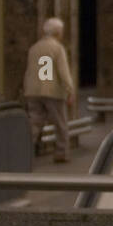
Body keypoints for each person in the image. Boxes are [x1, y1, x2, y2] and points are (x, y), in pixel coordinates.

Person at [23, 17, 75, 163]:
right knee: (60, 123)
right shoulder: (57, 48)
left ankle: (24, 151)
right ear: (58, 32)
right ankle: (61, 153)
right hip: (53, 91)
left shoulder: (34, 47)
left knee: (34, 123)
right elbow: (63, 71)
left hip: (33, 91)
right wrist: (70, 89)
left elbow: (29, 71)